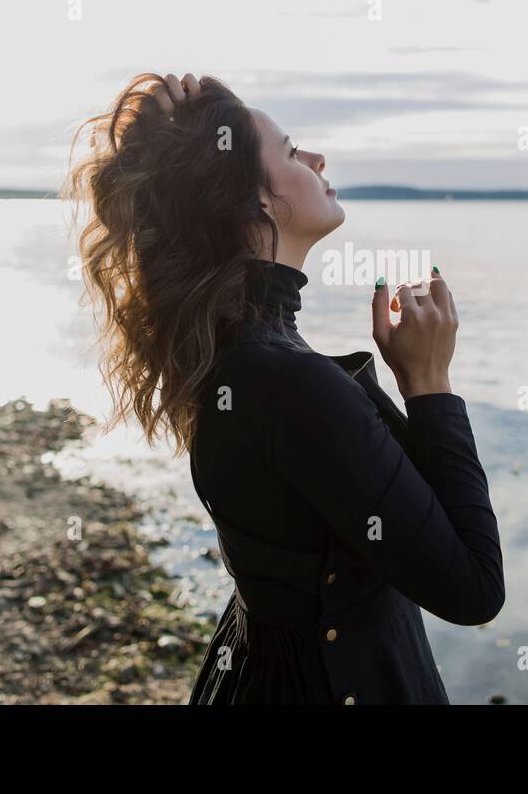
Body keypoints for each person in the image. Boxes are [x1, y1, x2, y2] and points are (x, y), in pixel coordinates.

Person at [64, 73, 503, 704]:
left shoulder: (229, 352)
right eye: (293, 152)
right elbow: (474, 590)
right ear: (256, 201)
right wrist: (431, 386)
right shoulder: (284, 380)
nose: (319, 160)